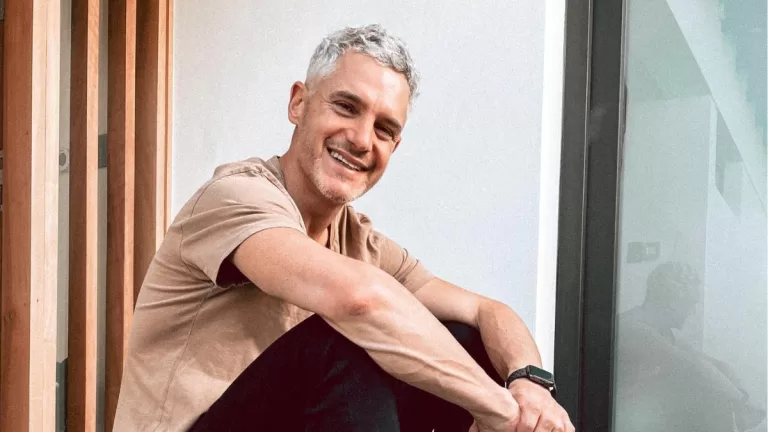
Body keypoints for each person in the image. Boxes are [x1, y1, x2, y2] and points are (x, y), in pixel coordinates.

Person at [112, 24, 573, 432]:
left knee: (461, 339)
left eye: (384, 128)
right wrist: (500, 409)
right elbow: (359, 301)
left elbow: (486, 311)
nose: (361, 139)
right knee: (349, 338)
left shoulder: (361, 244)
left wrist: (530, 387)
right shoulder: (235, 196)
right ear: (298, 103)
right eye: (346, 106)